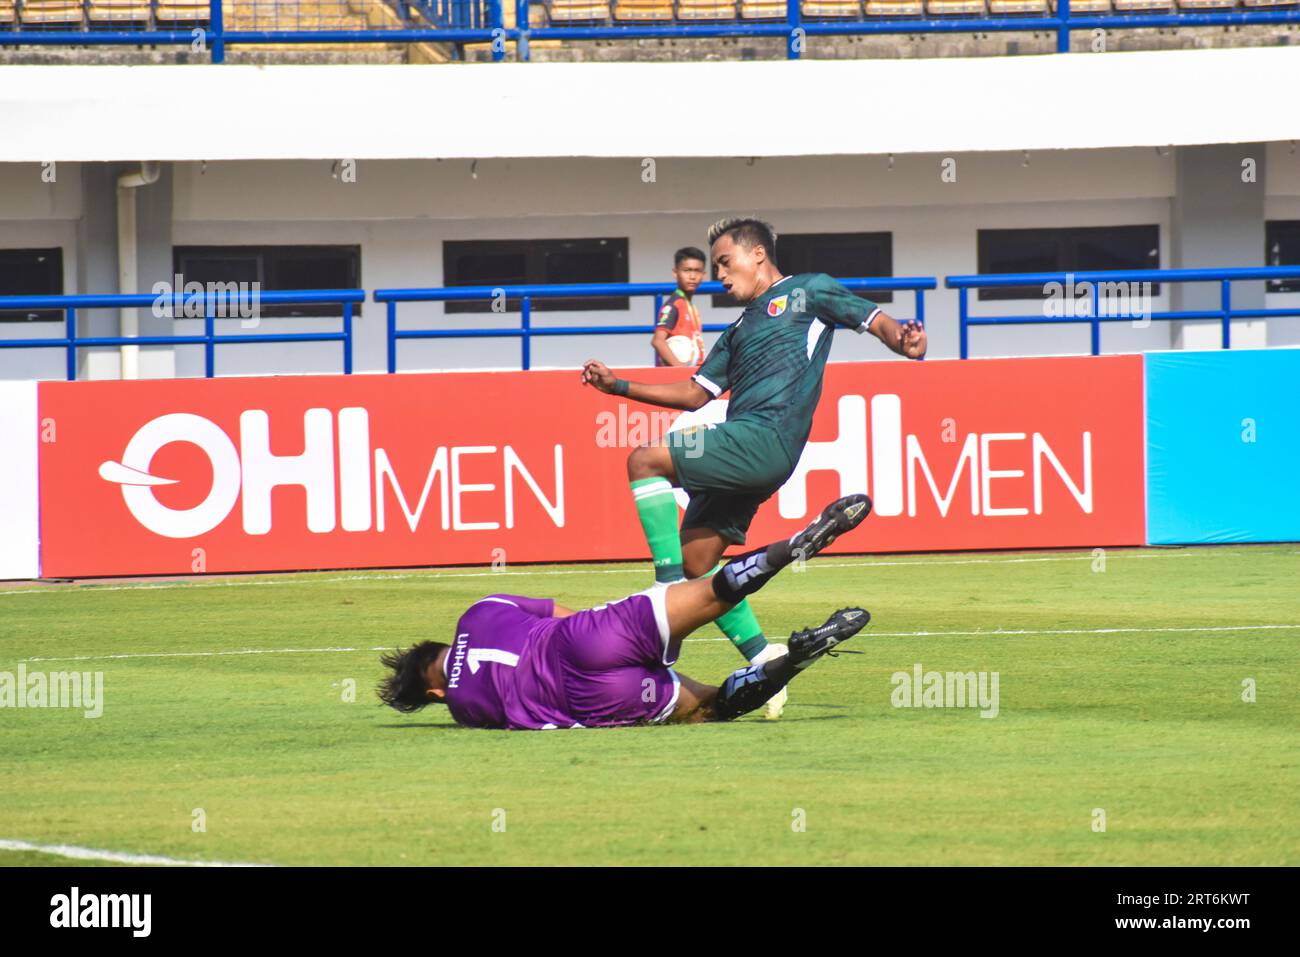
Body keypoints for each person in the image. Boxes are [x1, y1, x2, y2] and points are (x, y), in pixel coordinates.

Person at [580, 217, 925, 718]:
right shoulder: (739, 328)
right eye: (715, 265)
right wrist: (619, 388)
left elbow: (875, 322)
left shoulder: (809, 291)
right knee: (698, 567)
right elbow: (695, 393)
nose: (719, 274)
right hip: (751, 448)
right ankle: (764, 657)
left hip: (764, 438)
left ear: (757, 254)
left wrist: (904, 339)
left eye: (725, 261)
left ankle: (660, 589)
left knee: (644, 459)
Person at [377, 494, 871, 730]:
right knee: (711, 591)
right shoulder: (477, 613)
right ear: (438, 645)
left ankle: (794, 660)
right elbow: (556, 611)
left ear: (434, 691)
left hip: (588, 695)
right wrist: (606, 634)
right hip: (584, 637)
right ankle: (795, 545)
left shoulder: (462, 707)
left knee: (711, 706)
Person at [652, 246, 707, 367]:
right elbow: (658, 341)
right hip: (678, 378)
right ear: (675, 273)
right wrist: (680, 370)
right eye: (687, 270)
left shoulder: (690, 306)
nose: (692, 276)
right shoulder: (673, 305)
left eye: (697, 271)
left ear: (703, 275)